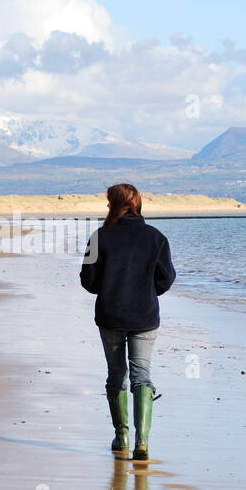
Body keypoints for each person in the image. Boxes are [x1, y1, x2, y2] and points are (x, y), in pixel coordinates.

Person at [79, 183, 176, 460]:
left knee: (116, 376)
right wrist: (145, 291)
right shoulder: (156, 238)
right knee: (141, 375)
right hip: (145, 316)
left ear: (120, 205)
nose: (107, 206)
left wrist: (111, 287)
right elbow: (166, 278)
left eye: (109, 202)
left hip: (110, 314)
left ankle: (122, 438)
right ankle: (141, 442)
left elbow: (88, 280)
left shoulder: (99, 237)